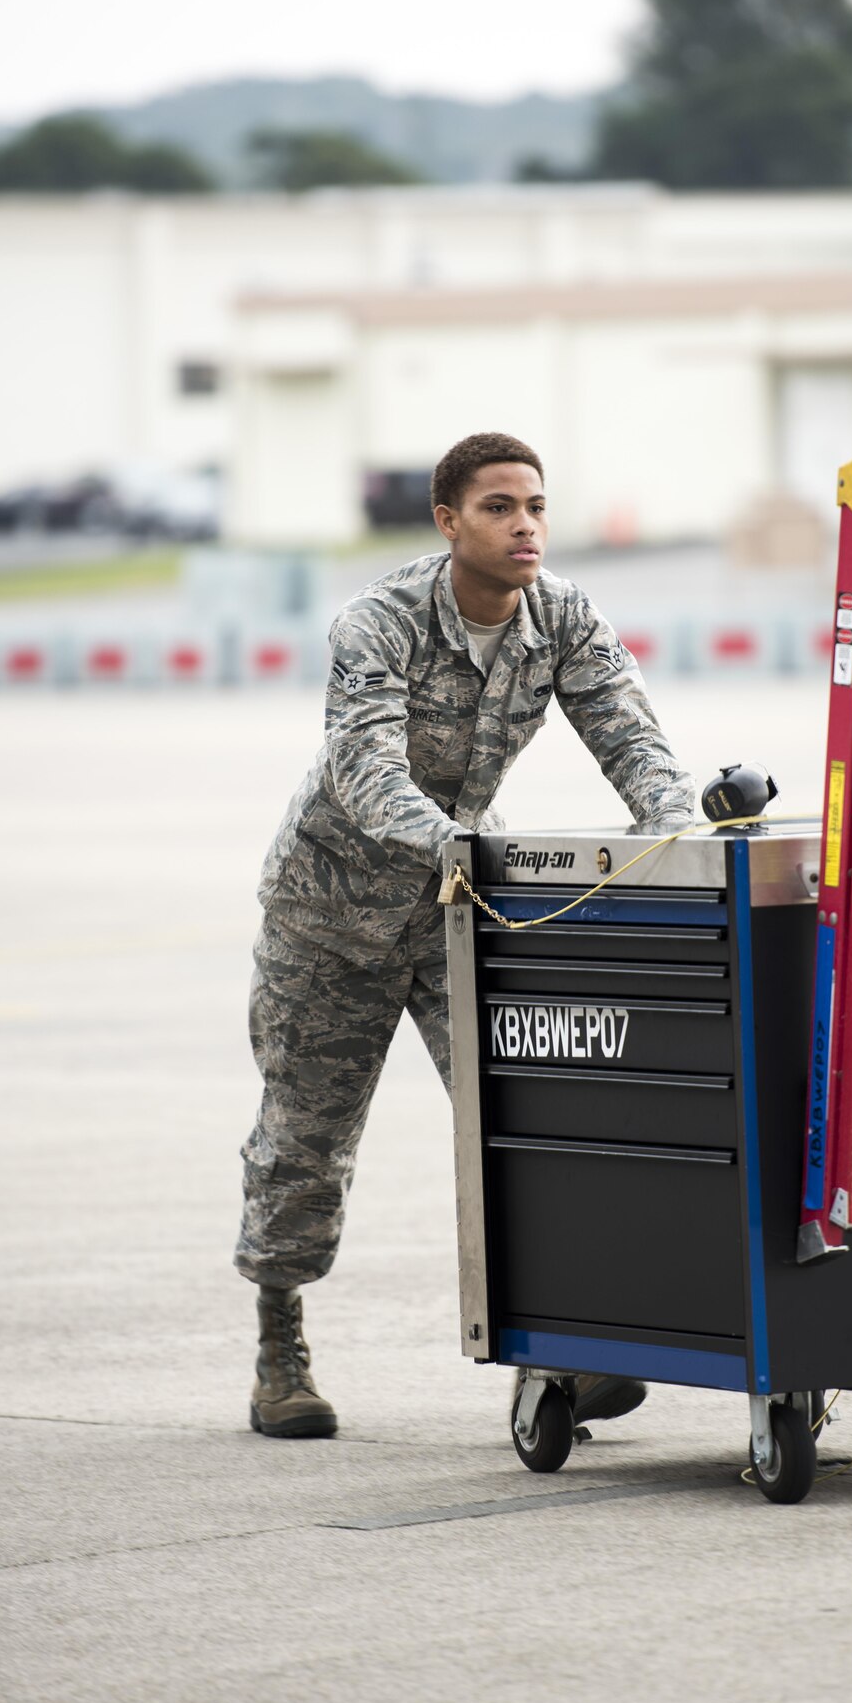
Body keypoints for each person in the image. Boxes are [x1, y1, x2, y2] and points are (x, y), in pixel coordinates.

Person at [236, 430, 695, 1436]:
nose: (524, 522)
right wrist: (455, 842)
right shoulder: (380, 621)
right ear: (449, 521)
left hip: (457, 911)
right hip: (331, 916)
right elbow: (361, 768)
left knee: (522, 1126)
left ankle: (558, 1347)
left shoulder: (563, 616)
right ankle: (281, 1348)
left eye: (535, 503)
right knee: (305, 1143)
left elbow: (632, 738)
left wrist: (684, 833)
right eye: (498, 506)